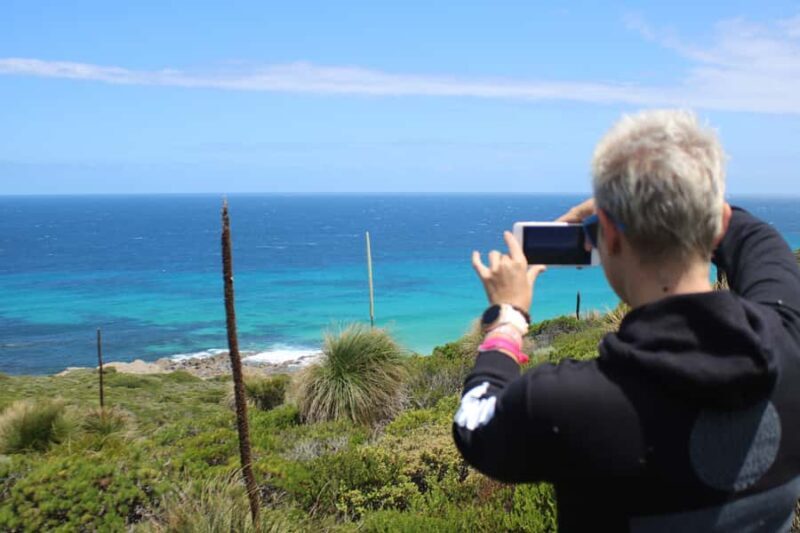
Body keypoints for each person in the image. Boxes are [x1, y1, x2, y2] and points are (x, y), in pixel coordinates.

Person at [453, 109, 800, 532]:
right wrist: (688, 205)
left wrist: (506, 319)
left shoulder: (567, 403)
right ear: (718, 224)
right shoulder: (788, 343)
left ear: (610, 238)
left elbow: (475, 425)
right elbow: (758, 241)